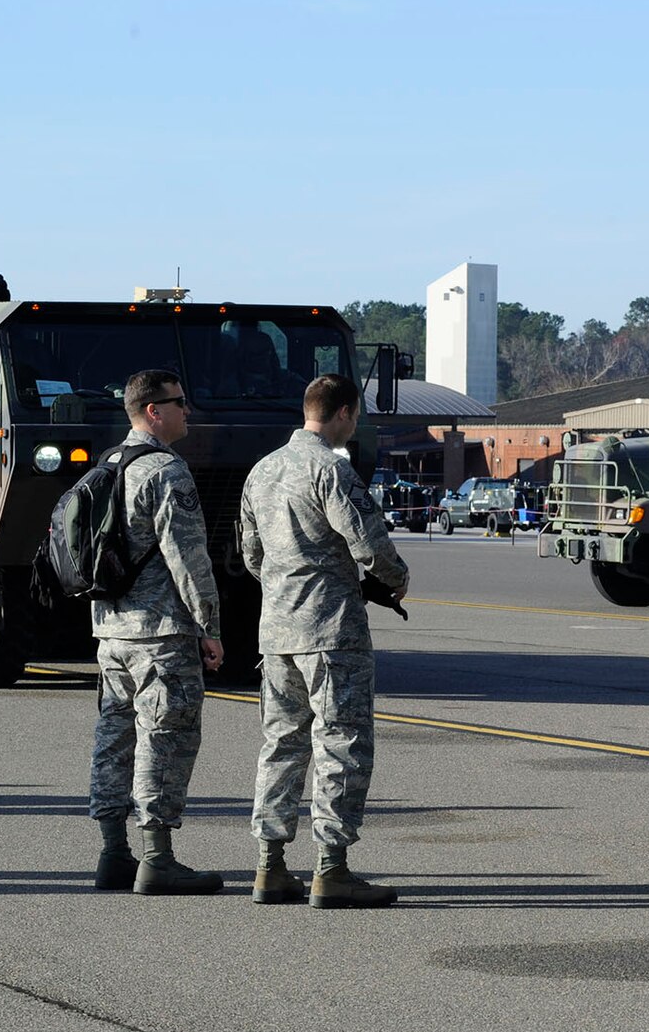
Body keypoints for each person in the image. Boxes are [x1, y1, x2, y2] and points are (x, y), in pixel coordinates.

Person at [241, 373, 410, 909]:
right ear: (344, 413)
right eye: (354, 416)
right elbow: (370, 544)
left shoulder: (262, 470)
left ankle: (270, 866)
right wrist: (397, 578)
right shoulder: (330, 470)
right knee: (340, 744)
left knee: (282, 745)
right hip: (331, 631)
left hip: (277, 633)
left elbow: (249, 554)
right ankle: (331, 869)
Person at [89, 369, 226, 895]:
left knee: (114, 738)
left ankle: (112, 853)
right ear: (153, 411)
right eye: (179, 402)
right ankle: (158, 858)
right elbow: (189, 559)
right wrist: (209, 626)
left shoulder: (109, 463)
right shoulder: (166, 470)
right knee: (165, 739)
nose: (187, 411)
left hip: (111, 631)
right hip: (161, 633)